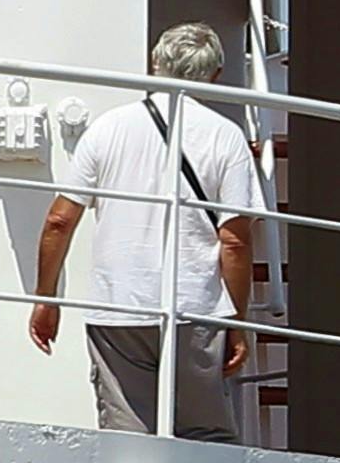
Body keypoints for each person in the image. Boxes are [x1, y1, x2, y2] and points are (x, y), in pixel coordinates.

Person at [25, 23, 274, 433]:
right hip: (195, 309)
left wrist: (46, 299)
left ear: (154, 63)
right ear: (213, 75)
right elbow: (233, 241)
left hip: (118, 307)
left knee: (128, 439)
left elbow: (59, 220)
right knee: (204, 436)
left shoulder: (107, 128)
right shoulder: (226, 138)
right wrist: (237, 321)